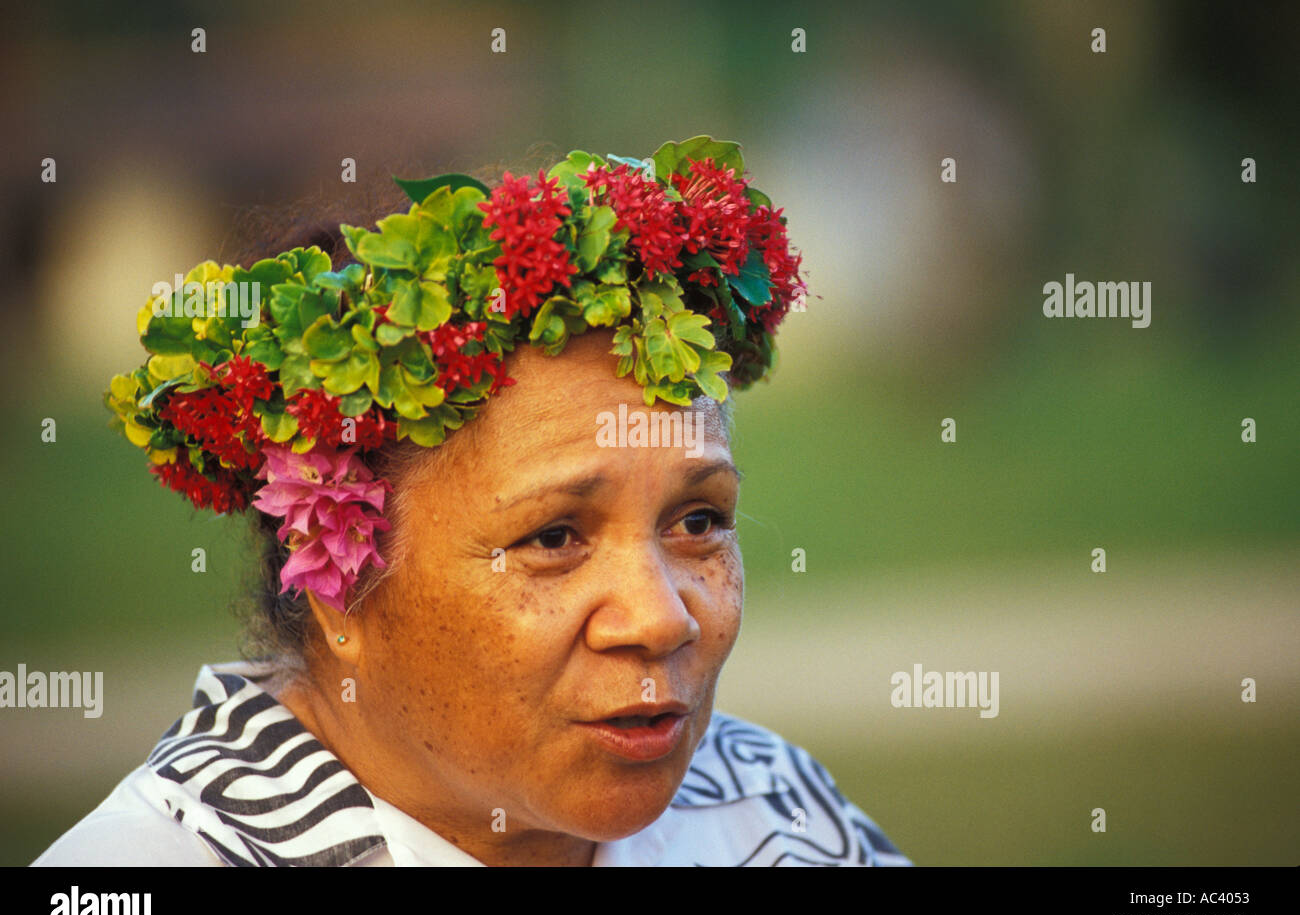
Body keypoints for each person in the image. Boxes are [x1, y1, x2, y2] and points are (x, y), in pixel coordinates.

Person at [33, 137, 910, 867]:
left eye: (698, 521)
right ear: (337, 579)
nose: (658, 620)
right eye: (555, 536)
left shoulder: (775, 816)